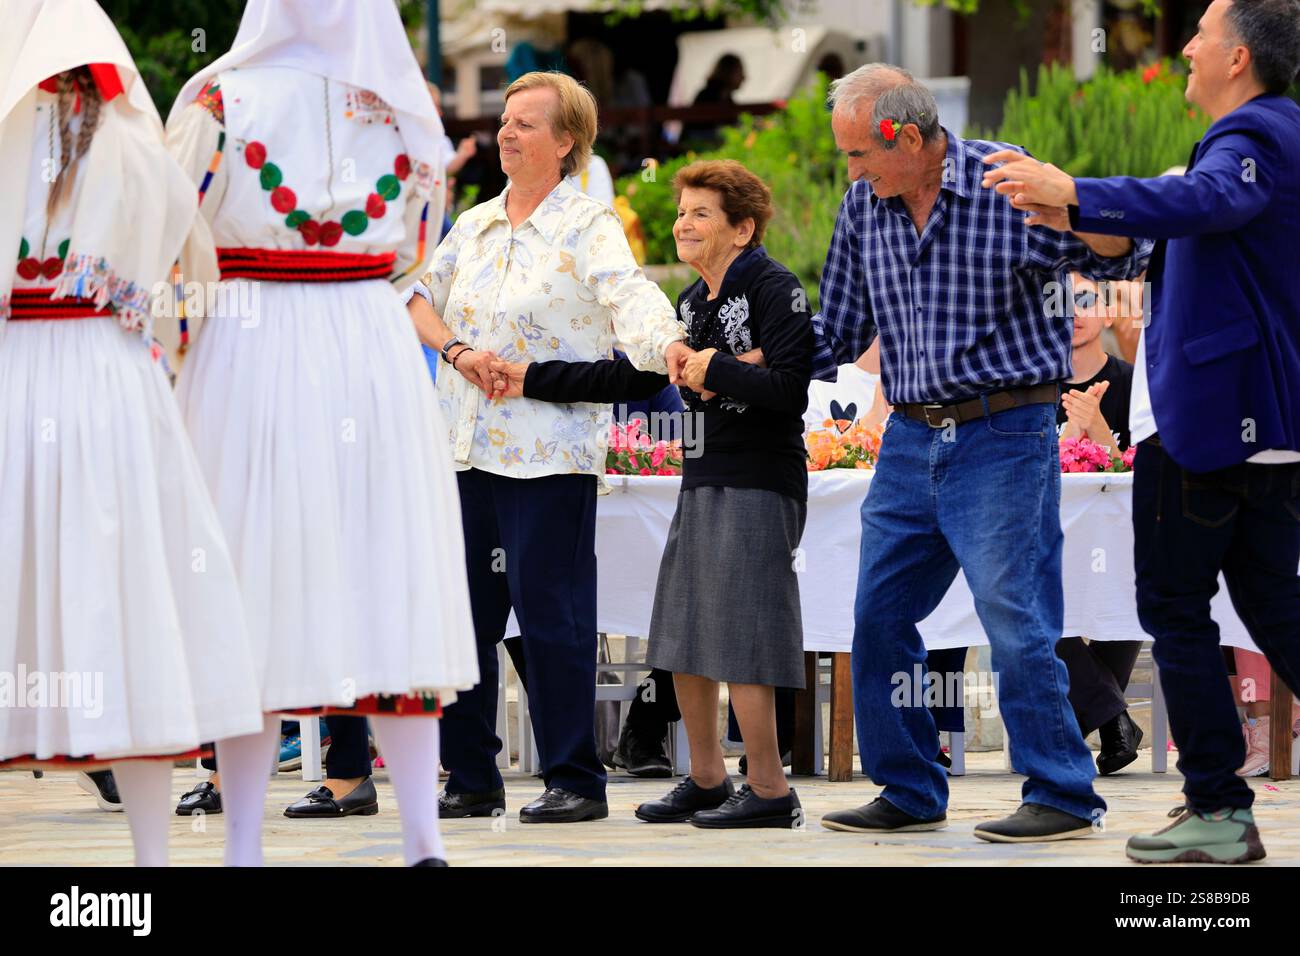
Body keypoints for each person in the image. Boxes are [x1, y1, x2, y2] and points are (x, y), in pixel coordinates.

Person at [983, 0, 1300, 863]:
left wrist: (1074, 188)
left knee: (1172, 605)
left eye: (1199, 34)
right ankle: (1218, 805)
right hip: (1245, 423)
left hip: (1210, 428)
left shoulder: (1256, 139)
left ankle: (1218, 807)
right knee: (1274, 605)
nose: (1186, 48)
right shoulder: (1256, 138)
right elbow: (1170, 221)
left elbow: (1199, 200)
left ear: (1238, 57)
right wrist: (1073, 216)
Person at [164, 0, 479, 866]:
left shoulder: (220, 100)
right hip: (368, 340)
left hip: (248, 339)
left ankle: (241, 844)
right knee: (388, 572)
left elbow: (166, 235)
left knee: (248, 579)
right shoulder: (405, 106)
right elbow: (418, 243)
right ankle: (422, 837)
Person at [812, 64, 1150, 842]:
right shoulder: (865, 205)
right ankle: (908, 785)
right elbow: (834, 328)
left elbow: (1117, 264)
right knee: (878, 614)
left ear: (906, 136)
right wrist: (744, 364)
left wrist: (1073, 200)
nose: (853, 172)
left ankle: (1064, 792)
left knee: (1013, 616)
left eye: (860, 154)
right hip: (907, 436)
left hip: (1004, 433)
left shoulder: (1007, 181)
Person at [0, 0, 264, 865]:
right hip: (111, 374)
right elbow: (193, 272)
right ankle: (153, 860)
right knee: (133, 601)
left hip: (15, 367)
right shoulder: (141, 141)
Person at [488, 159, 813, 826]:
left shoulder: (778, 289)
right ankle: (706, 778)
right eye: (682, 210)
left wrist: (715, 368)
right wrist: (530, 378)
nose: (683, 224)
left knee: (744, 634)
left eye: (701, 213)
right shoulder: (689, 305)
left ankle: (773, 792)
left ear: (743, 228)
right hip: (702, 477)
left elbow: (790, 390)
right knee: (683, 634)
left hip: (758, 480)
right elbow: (629, 380)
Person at [404, 70, 690, 824]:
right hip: (461, 451)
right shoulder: (473, 224)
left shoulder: (587, 224)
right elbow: (414, 298)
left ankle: (574, 779)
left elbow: (631, 296)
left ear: (567, 142)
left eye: (526, 123)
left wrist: (671, 345)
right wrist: (459, 352)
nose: (506, 133)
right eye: (504, 120)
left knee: (552, 618)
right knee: (460, 617)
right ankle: (470, 775)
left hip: (546, 456)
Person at [1053, 273, 1144, 774]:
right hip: (1047, 541)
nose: (1074, 313)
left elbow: (1140, 469)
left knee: (1130, 586)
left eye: (1085, 301)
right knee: (1026, 602)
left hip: (1117, 540)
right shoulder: (1030, 384)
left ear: (1109, 313)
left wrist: (1099, 429)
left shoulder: (1134, 382)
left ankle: (1104, 717)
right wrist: (1069, 429)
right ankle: (1113, 719)